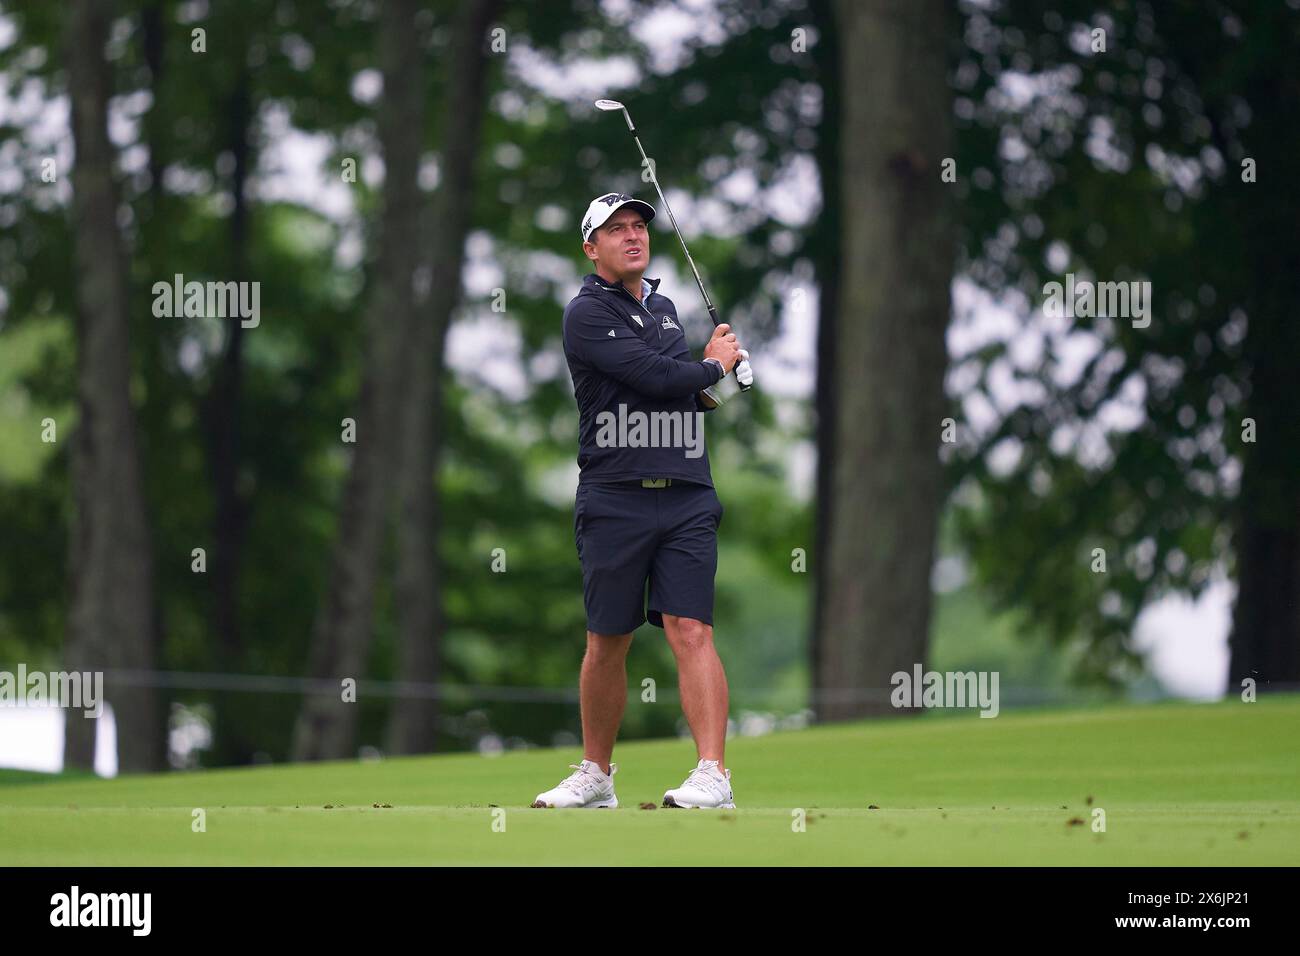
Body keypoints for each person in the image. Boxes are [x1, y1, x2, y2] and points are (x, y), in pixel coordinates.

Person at [532, 192, 744, 809]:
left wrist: (717, 380)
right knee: (608, 638)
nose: (633, 236)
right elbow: (654, 378)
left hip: (685, 496)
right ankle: (597, 775)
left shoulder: (668, 309)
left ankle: (713, 775)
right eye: (616, 229)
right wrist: (712, 366)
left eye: (639, 227)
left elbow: (681, 399)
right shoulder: (584, 314)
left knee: (692, 629)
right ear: (590, 247)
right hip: (615, 496)